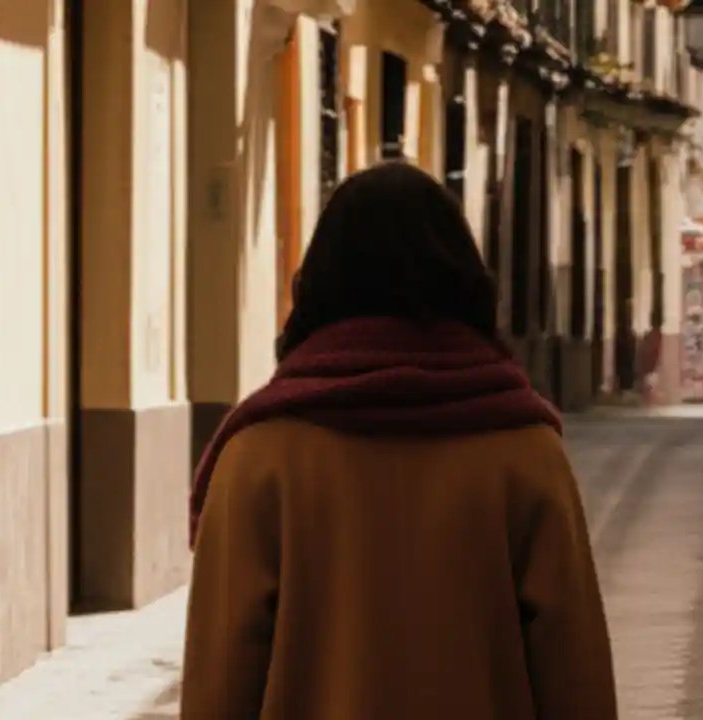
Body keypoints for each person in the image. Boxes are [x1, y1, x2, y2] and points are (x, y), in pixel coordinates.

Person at [182, 161, 617, 719]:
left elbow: (221, 673)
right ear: (464, 282)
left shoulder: (259, 457)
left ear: (319, 283)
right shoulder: (526, 453)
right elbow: (573, 666)